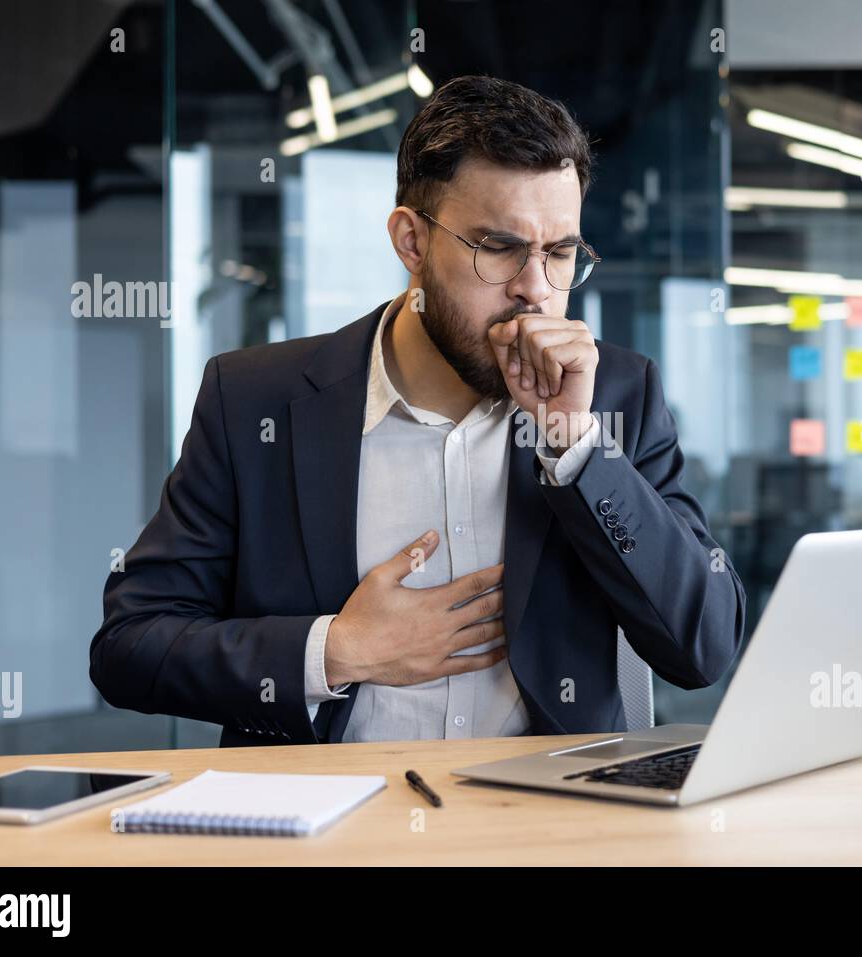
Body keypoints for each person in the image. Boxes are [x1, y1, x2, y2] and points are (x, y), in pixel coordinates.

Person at [90, 75, 746, 747]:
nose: (536, 291)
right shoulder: (256, 400)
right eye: (499, 248)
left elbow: (704, 647)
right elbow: (131, 646)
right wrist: (338, 649)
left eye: (560, 253)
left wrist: (575, 447)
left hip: (544, 824)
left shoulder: (616, 395)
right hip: (330, 832)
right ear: (411, 241)